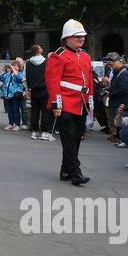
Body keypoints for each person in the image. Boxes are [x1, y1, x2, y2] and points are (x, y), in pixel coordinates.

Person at [46, 19, 93, 186]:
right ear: (66, 38)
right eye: (77, 36)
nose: (81, 39)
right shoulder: (58, 56)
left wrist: (91, 100)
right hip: (65, 102)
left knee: (76, 138)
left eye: (82, 36)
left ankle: (66, 170)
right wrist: (56, 104)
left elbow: (89, 80)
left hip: (81, 102)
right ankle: (75, 172)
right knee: (69, 138)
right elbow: (53, 81)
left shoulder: (86, 56)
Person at [25, 46, 53, 141]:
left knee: (35, 111)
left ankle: (34, 131)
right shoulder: (47, 62)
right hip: (45, 89)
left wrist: (27, 89)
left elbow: (25, 78)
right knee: (45, 111)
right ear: (39, 50)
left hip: (33, 89)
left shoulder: (28, 63)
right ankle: (44, 132)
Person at [3, 60, 29, 131]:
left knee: (16, 110)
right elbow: (1, 78)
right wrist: (5, 71)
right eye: (12, 66)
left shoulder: (20, 74)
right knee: (9, 110)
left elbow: (19, 79)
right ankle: (11, 123)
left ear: (19, 67)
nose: (13, 67)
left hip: (15, 95)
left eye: (15, 66)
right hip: (8, 94)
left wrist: (14, 71)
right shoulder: (8, 74)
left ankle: (17, 124)